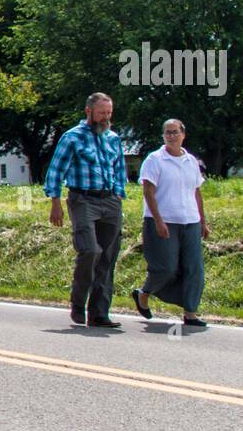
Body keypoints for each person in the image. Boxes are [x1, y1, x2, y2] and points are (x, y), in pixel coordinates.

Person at [45, 92, 128, 327]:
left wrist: (119, 194)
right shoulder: (72, 137)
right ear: (88, 111)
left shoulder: (113, 138)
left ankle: (100, 313)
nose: (106, 117)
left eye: (109, 113)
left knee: (107, 257)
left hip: (110, 201)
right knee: (90, 250)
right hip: (83, 200)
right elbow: (56, 170)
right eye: (102, 113)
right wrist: (55, 202)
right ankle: (78, 303)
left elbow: (119, 169)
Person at [131, 119, 210, 329]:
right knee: (165, 268)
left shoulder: (191, 160)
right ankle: (144, 292)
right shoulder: (155, 159)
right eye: (167, 133)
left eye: (175, 132)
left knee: (195, 268)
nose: (171, 136)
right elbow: (148, 190)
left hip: (190, 220)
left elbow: (196, 192)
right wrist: (158, 220)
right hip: (163, 221)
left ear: (183, 134)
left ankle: (190, 313)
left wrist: (203, 221)